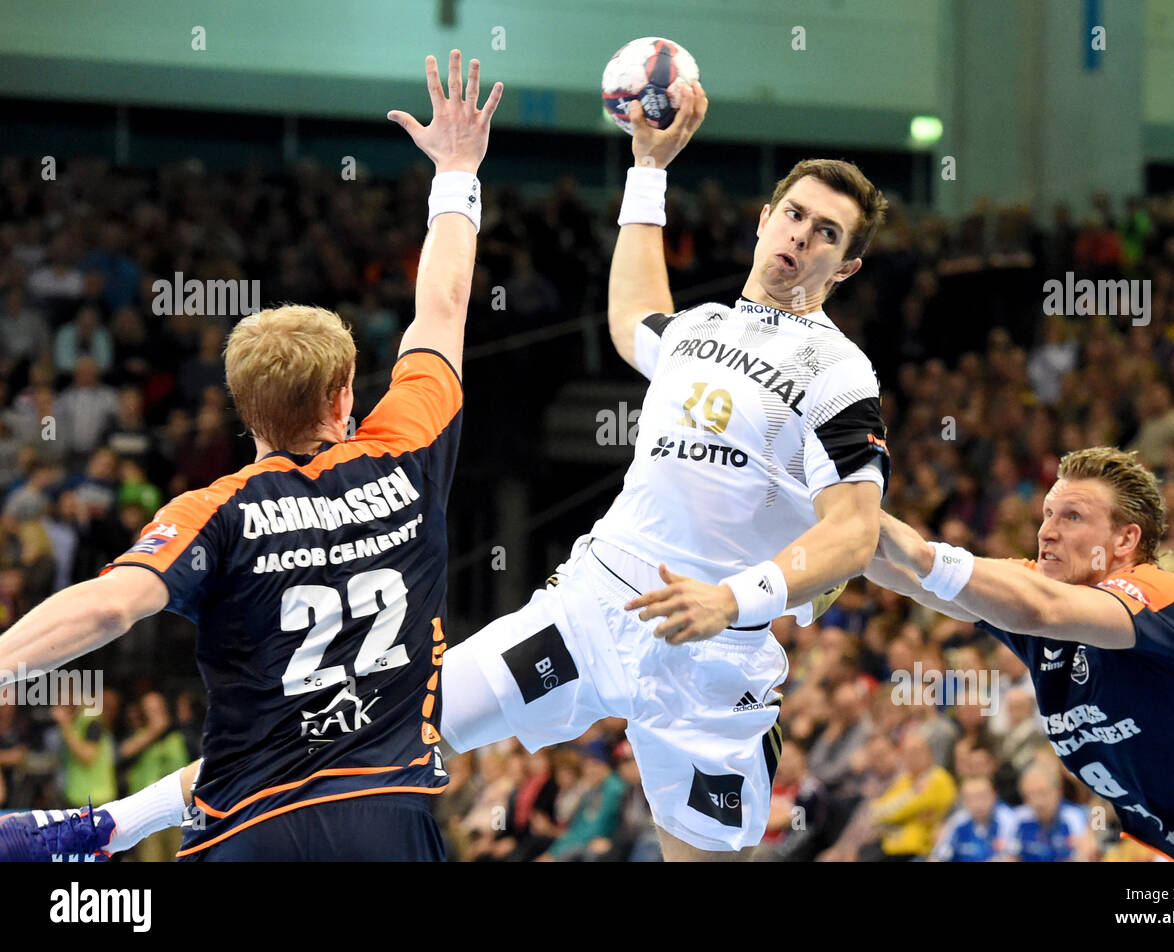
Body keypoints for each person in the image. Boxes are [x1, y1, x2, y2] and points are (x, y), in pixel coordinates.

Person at [5, 77, 891, 863]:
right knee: (362, 726)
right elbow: (631, 319)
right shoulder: (696, 330)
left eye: (827, 234)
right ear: (763, 218)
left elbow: (851, 535)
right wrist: (648, 168)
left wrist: (732, 599)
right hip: (593, 609)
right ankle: (101, 829)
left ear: (844, 264)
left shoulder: (839, 371)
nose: (802, 238)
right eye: (795, 215)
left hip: (712, 655)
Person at [0, 50, 503, 862]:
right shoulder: (408, 446)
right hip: (391, 820)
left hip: (253, 828)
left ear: (242, 411)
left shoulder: (212, 510)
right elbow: (441, 308)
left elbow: (103, 609)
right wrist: (455, 170)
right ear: (345, 399)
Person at [866, 445, 1174, 861]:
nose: (1046, 531)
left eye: (1072, 516)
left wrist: (920, 552)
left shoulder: (1158, 594)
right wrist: (829, 511)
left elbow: (958, 575)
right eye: (1047, 513)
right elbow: (908, 573)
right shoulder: (1036, 593)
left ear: (1126, 539)